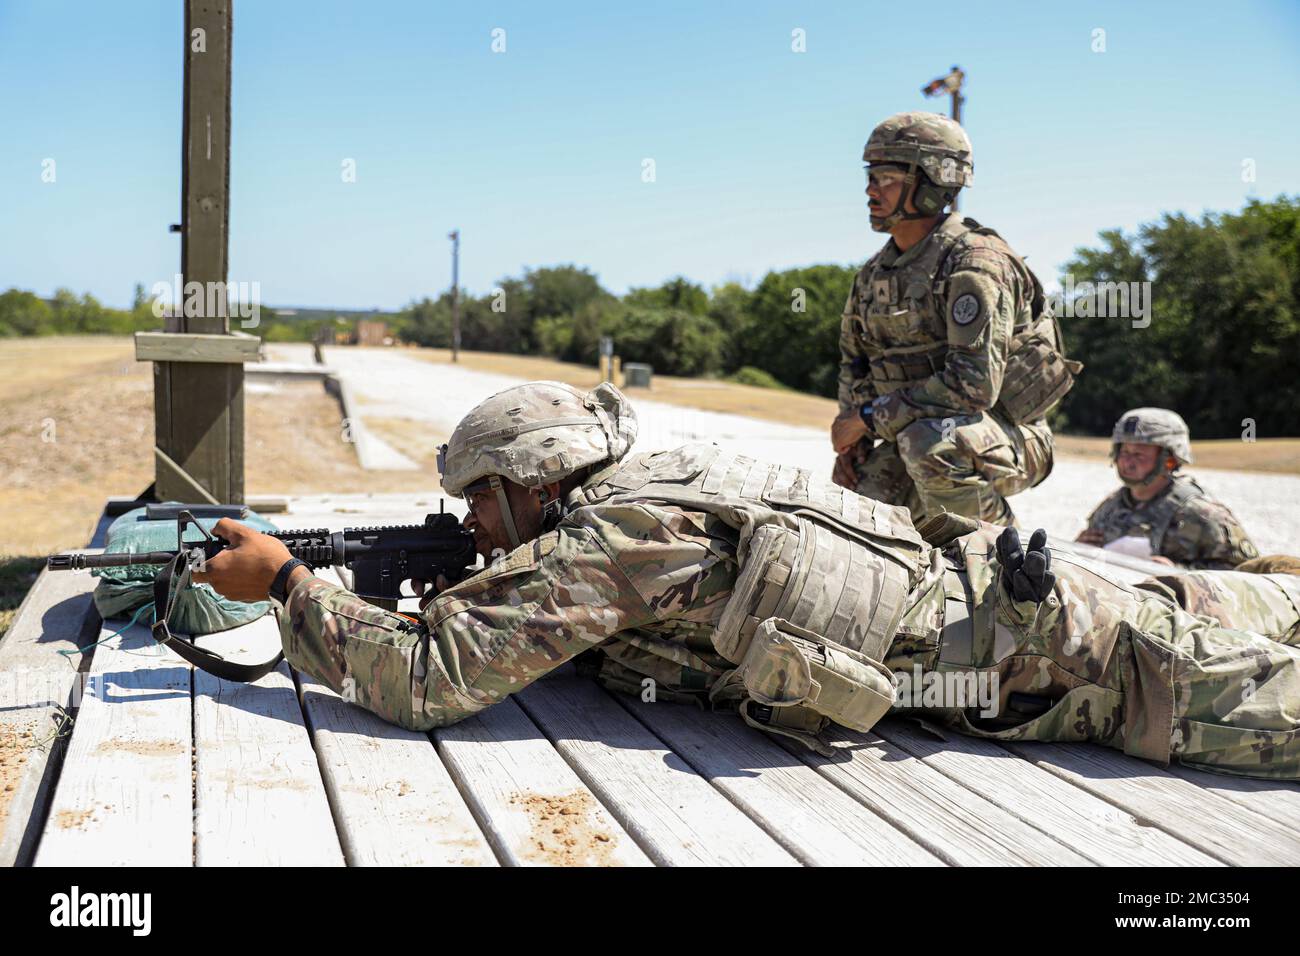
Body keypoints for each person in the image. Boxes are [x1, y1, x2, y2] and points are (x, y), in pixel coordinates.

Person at [194, 381, 1300, 780]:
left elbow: (428, 678)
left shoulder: (615, 537)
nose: (472, 520)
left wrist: (287, 582)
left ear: (537, 477)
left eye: (481, 495)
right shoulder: (646, 487)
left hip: (1078, 659)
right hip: (1026, 601)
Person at [832, 111, 1078, 528]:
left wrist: (867, 419)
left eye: (886, 178)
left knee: (932, 446)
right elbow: (855, 364)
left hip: (1007, 435)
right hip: (914, 431)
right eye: (870, 177)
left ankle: (1002, 562)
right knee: (856, 512)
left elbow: (974, 386)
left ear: (929, 184)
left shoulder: (975, 263)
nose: (871, 191)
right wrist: (852, 447)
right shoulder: (874, 275)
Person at [1077, 407, 1258, 569]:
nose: (1128, 463)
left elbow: (1246, 573)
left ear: (1169, 460)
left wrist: (1180, 573)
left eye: (1139, 455)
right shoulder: (1110, 508)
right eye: (1124, 452)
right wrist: (1079, 552)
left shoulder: (1202, 515)